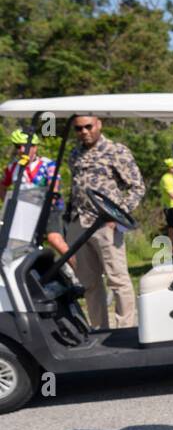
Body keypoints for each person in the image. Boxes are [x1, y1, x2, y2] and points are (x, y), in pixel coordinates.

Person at [66, 116, 144, 328]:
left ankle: (125, 328)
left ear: (98, 124)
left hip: (105, 224)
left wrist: (119, 216)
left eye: (88, 126)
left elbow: (137, 187)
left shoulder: (116, 151)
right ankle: (99, 329)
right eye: (78, 128)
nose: (84, 132)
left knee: (117, 279)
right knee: (89, 283)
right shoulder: (75, 154)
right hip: (79, 223)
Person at [2, 130, 71, 258]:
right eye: (18, 146)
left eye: (26, 145)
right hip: (23, 212)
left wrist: (50, 202)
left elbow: (54, 186)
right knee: (17, 243)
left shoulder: (47, 164)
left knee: (54, 238)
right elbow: (3, 185)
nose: (22, 149)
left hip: (49, 209)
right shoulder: (13, 167)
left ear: (35, 147)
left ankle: (79, 268)